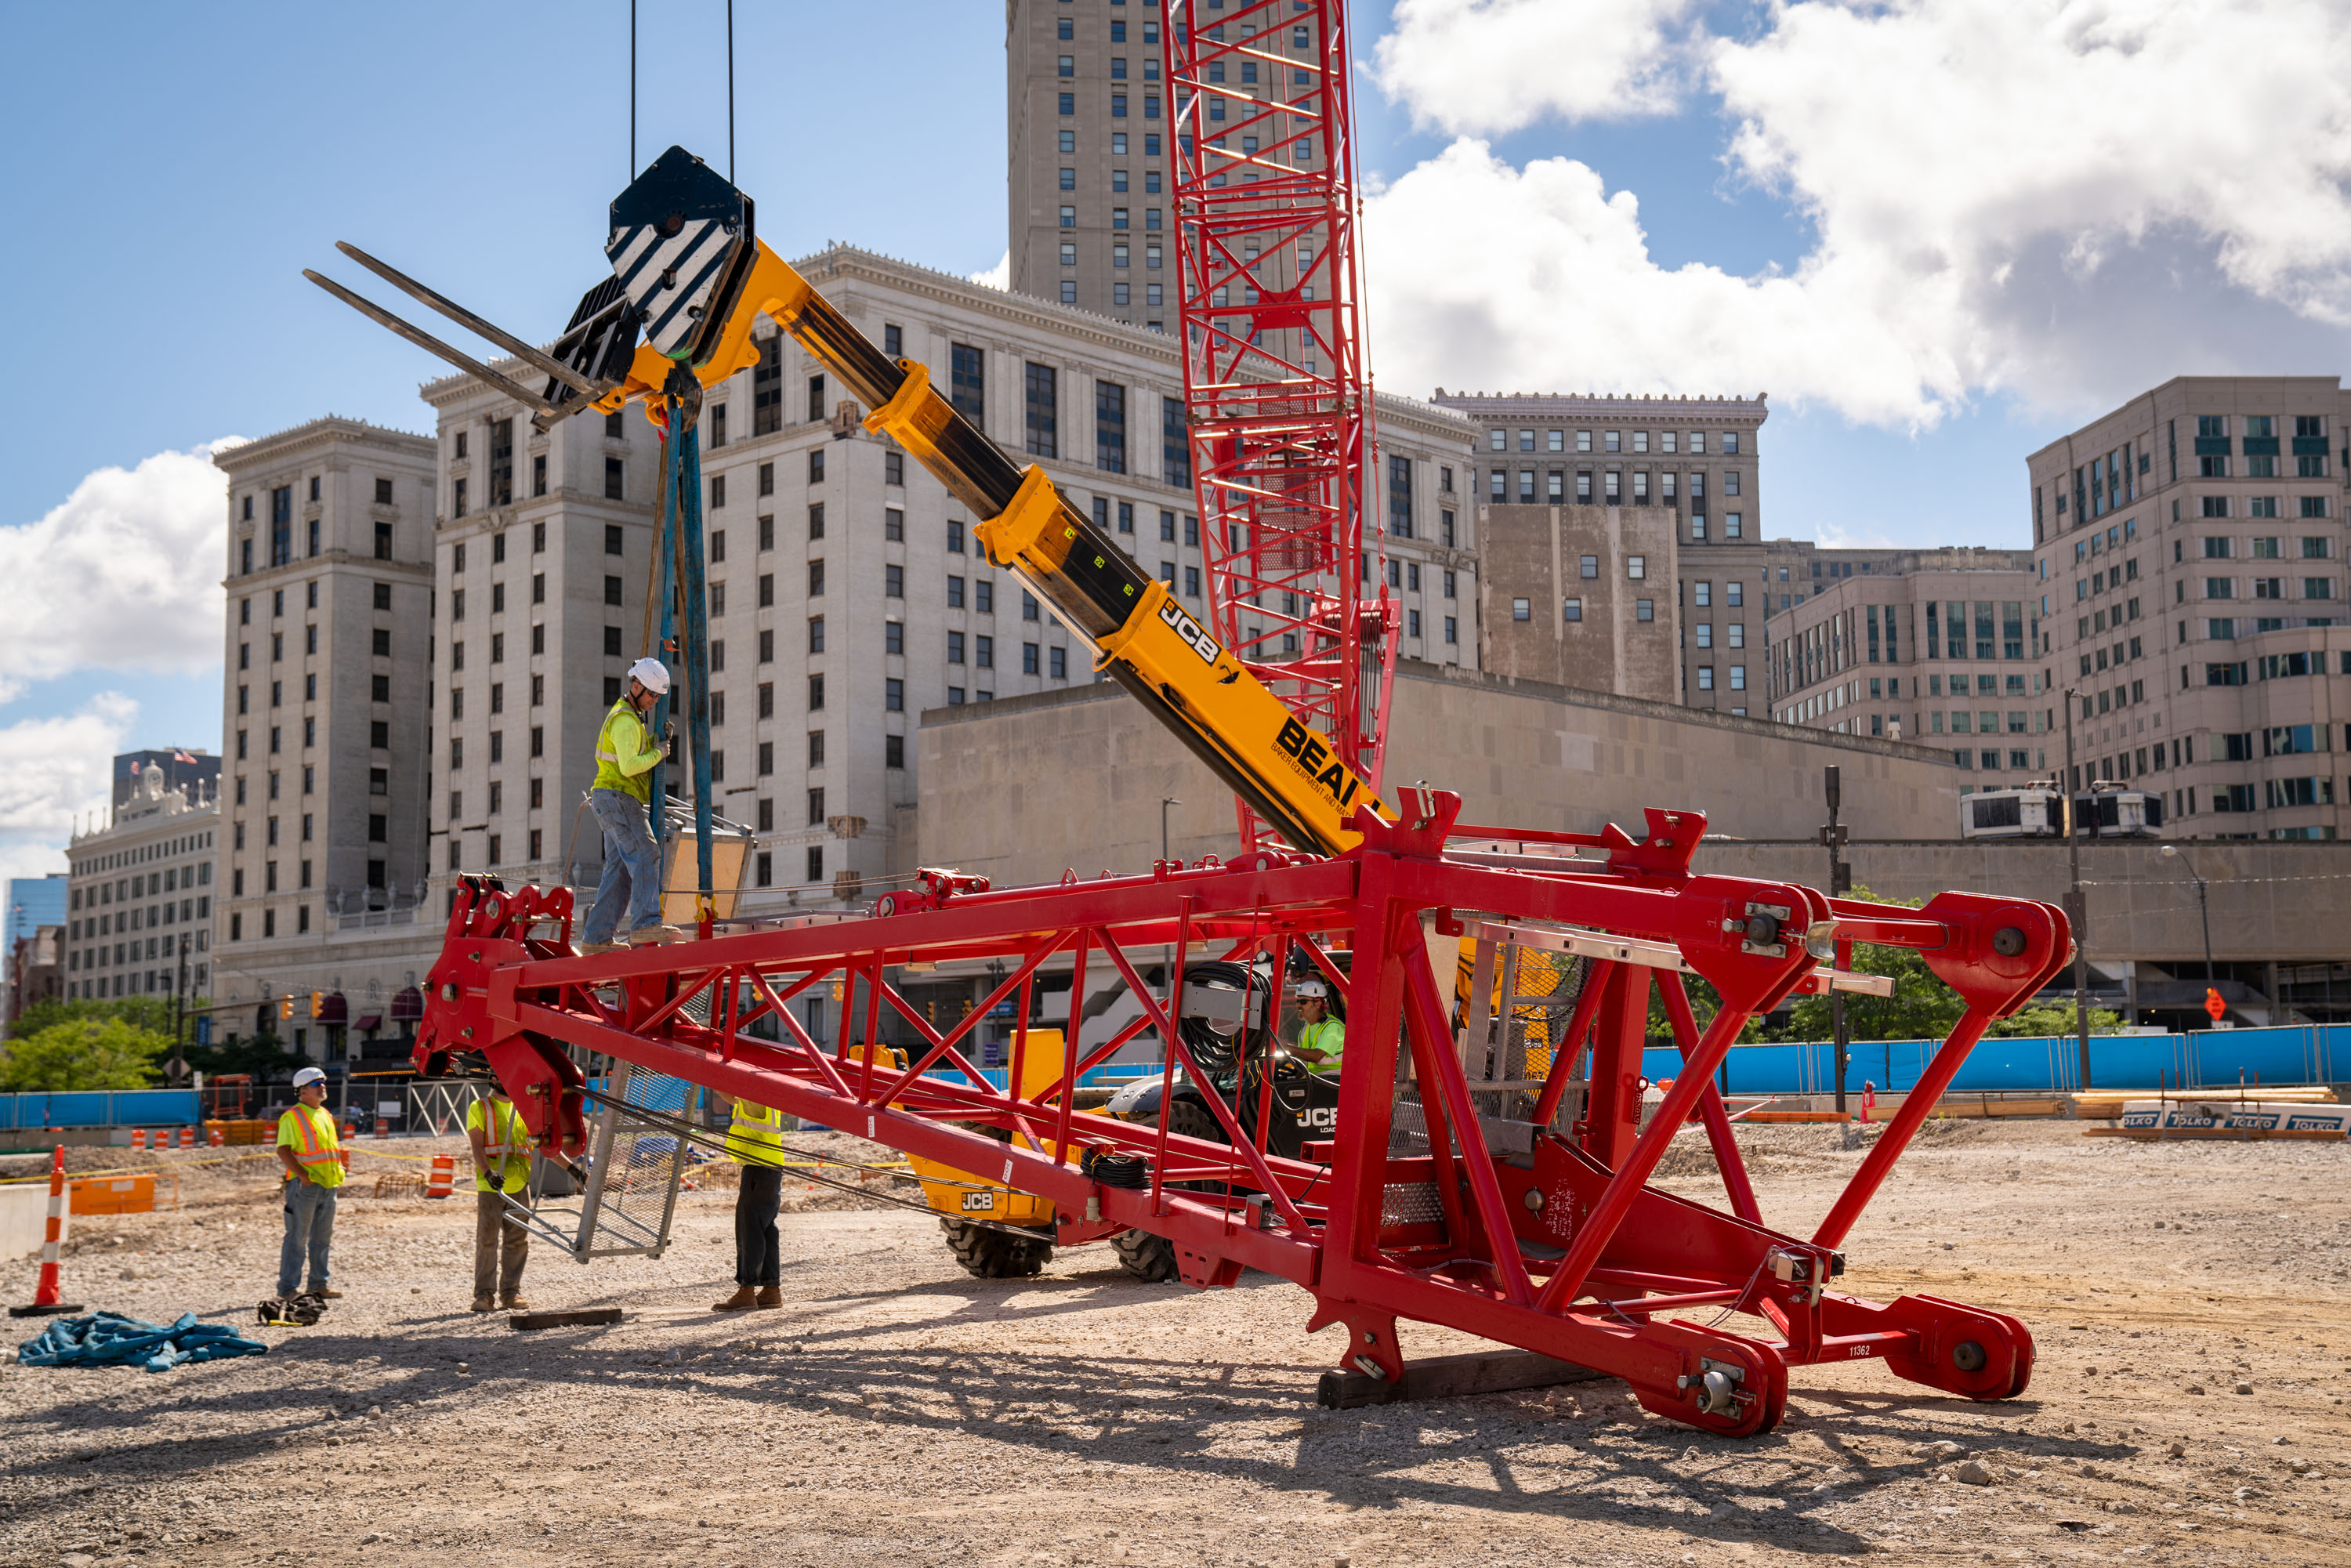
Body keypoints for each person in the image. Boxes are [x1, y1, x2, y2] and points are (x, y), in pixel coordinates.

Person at [578, 656, 683, 953]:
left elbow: (631, 756)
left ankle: (596, 939)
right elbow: (629, 766)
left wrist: (652, 743)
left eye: (658, 696)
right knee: (647, 853)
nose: (654, 701)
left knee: (620, 870)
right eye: (652, 694)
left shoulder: (630, 719)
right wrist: (659, 753)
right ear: (636, 687)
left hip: (610, 798)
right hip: (618, 797)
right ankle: (646, 923)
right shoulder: (625, 720)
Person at [275, 1066, 343, 1301]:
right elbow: (283, 1150)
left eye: (323, 1082)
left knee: (322, 1239)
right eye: (316, 1084)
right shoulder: (292, 1117)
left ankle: (318, 1285)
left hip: (328, 1184)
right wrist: (303, 1176)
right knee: (297, 1238)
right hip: (305, 1187)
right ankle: (287, 1289)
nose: (322, 1086)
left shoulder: (325, 1114)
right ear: (302, 1091)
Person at [712, 1096, 784, 1311]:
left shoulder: (755, 1097)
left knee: (749, 1230)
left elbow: (729, 1094)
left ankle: (747, 1290)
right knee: (766, 1230)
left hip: (758, 1168)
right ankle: (771, 1290)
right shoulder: (768, 1101)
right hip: (770, 1168)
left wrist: (711, 1078)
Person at [466, 1085, 534, 1313]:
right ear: (494, 1078)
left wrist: (571, 1168)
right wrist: (487, 1172)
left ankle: (511, 1293)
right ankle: (484, 1296)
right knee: (487, 1241)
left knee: (518, 1242)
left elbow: (538, 1144)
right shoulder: (480, 1107)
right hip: (491, 1187)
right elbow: (477, 1145)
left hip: (520, 1185)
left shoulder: (524, 1109)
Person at [1290, 980, 1345, 1075]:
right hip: (1317, 1079)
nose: (1298, 1005)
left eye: (1303, 1002)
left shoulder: (1333, 1027)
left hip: (1336, 1079)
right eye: (1297, 1001)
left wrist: (1285, 1047)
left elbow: (1316, 1056)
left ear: (1318, 1003)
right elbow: (1304, 1063)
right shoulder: (1305, 1029)